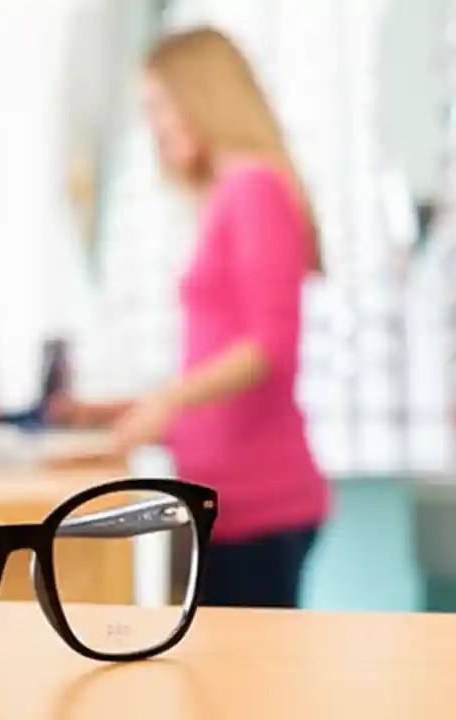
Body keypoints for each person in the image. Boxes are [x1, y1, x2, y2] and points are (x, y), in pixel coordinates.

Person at [111, 28, 329, 608]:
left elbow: (267, 345)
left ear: (201, 95)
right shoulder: (231, 194)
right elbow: (222, 349)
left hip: (259, 504)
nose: (155, 126)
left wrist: (169, 399)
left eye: (159, 105)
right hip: (224, 500)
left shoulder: (253, 187)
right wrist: (147, 406)